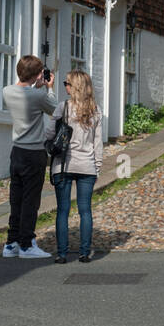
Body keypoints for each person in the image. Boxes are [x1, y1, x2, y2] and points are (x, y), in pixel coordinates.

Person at [46, 70, 104, 264]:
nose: (66, 87)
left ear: (74, 86)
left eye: (67, 83)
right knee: (85, 210)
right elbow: (98, 143)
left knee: (63, 210)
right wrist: (97, 167)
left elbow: (48, 133)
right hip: (87, 166)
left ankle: (62, 254)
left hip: (63, 165)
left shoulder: (63, 108)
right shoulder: (95, 110)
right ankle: (84, 253)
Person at [2, 55, 56, 259]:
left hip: (16, 152)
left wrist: (35, 84)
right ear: (36, 75)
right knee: (30, 201)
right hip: (34, 153)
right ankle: (27, 244)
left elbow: (25, 93)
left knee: (15, 199)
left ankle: (11, 243)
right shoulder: (39, 96)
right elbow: (55, 109)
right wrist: (47, 87)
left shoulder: (6, 91)